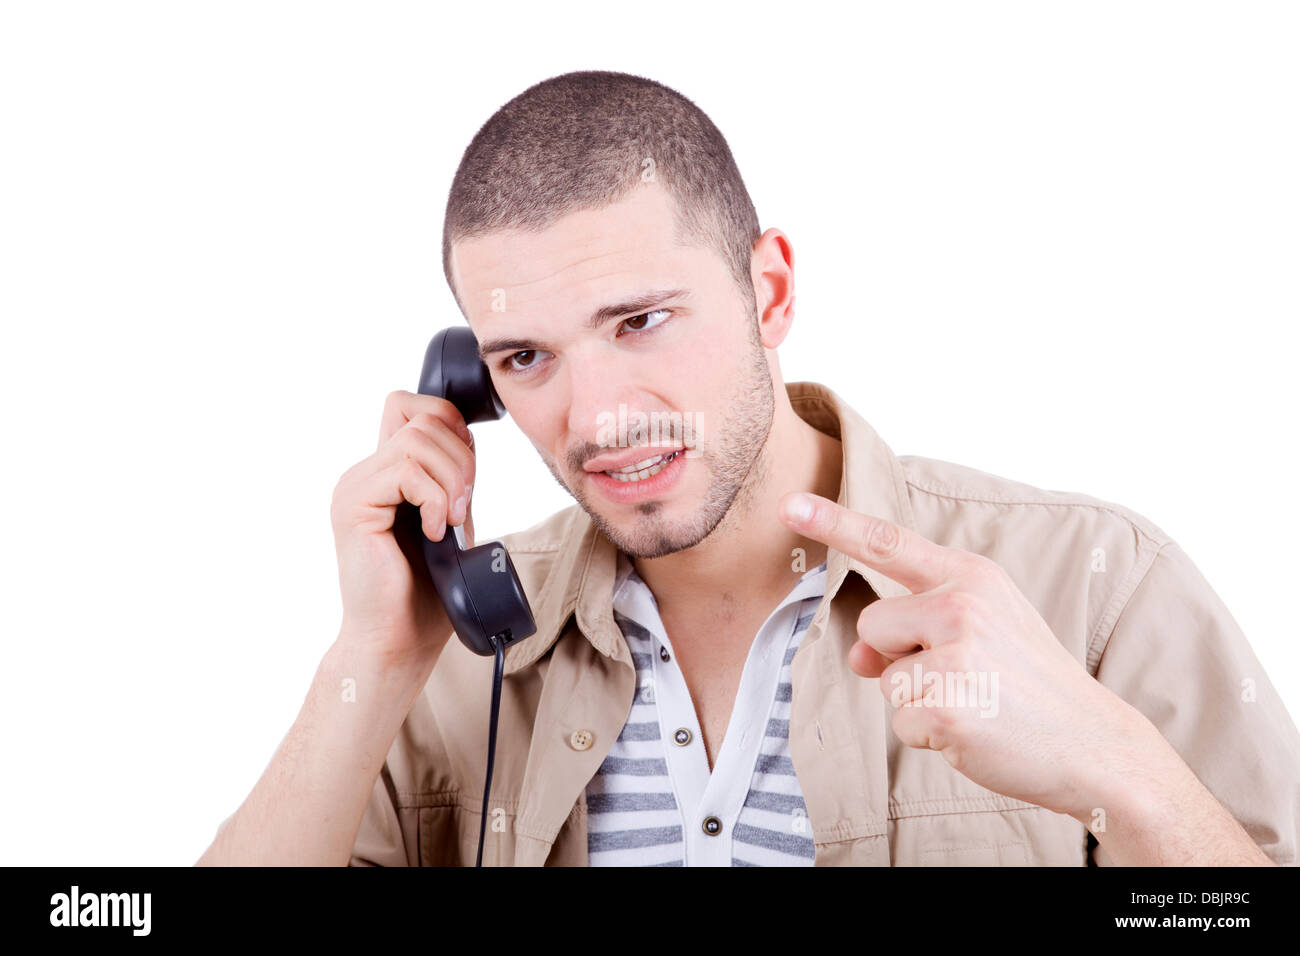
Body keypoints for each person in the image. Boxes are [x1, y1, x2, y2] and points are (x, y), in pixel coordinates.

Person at [198, 70, 1299, 867]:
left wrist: (1121, 768)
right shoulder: (458, 652)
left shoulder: (1094, 585)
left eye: (640, 320)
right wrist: (371, 659)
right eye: (525, 358)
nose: (598, 417)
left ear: (768, 293)